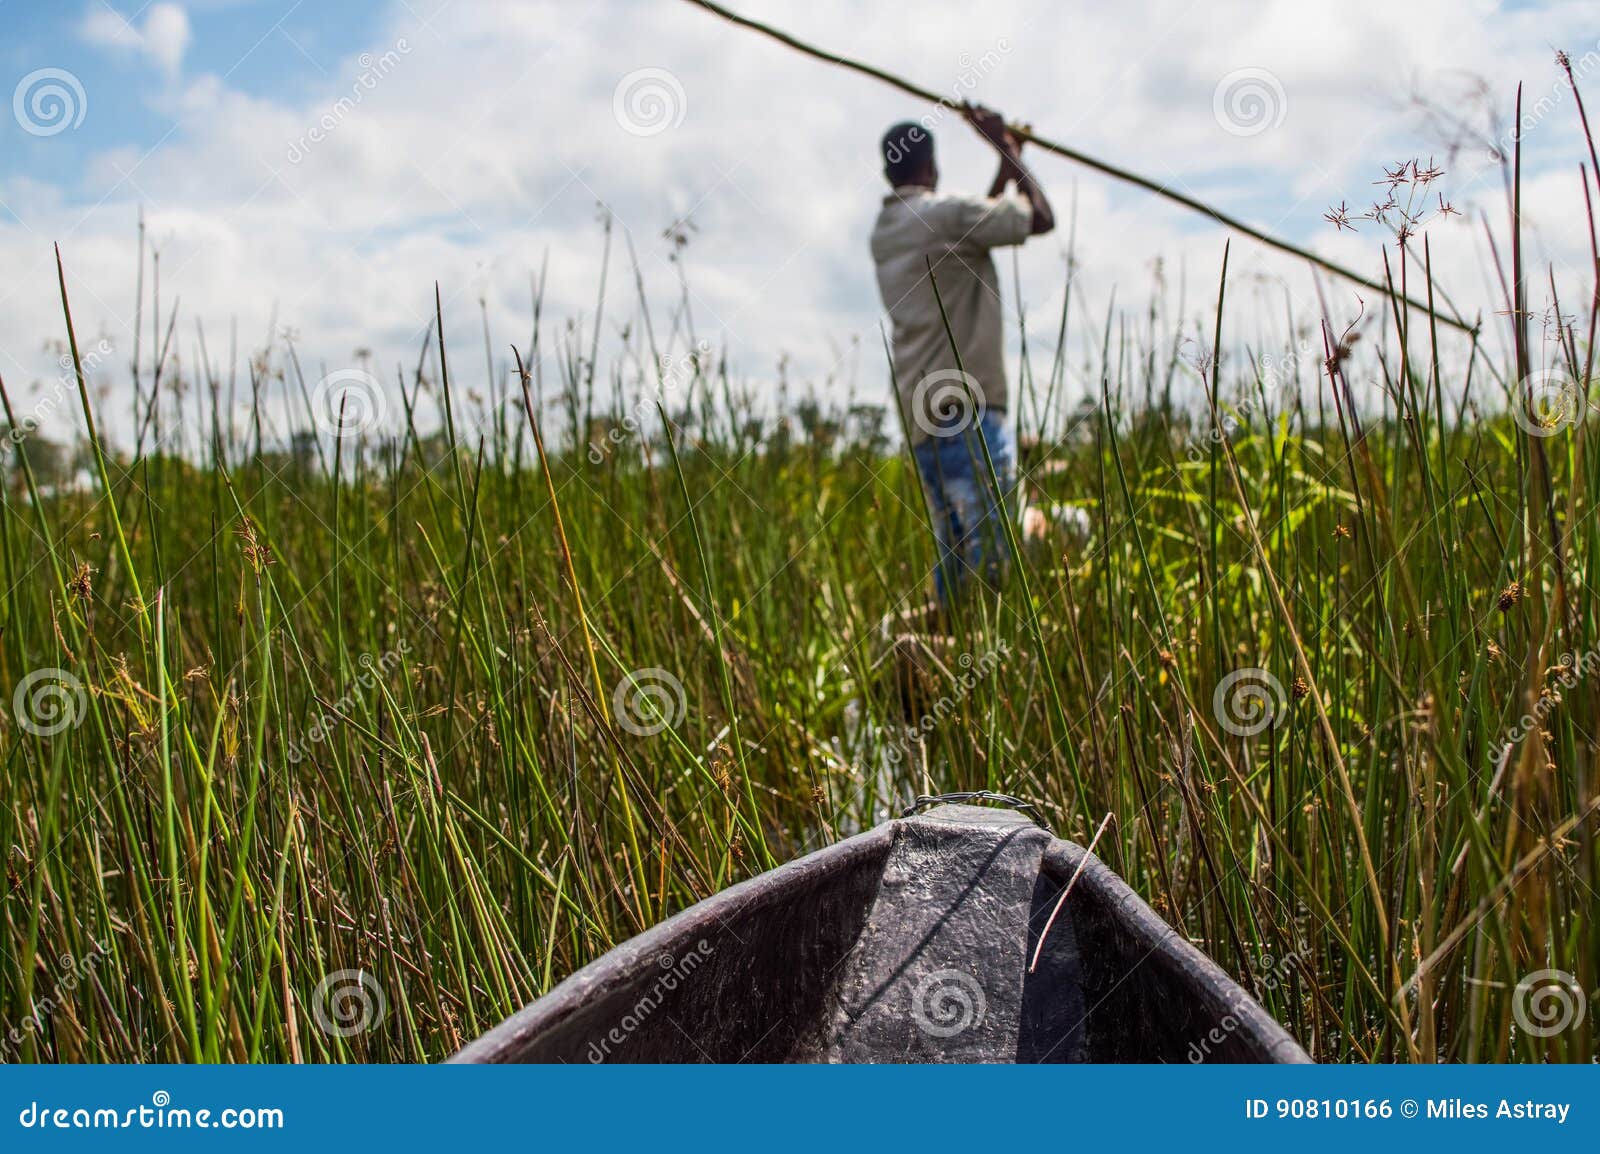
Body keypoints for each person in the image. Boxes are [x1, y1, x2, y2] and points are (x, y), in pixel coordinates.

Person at [870, 106, 1054, 606]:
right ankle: (977, 666)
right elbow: (1040, 217)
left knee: (955, 561)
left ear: (890, 172)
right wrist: (1007, 149)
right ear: (931, 167)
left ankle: (945, 662)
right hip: (967, 416)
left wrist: (1004, 161)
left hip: (925, 419)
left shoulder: (888, 230)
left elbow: (978, 221)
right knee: (992, 567)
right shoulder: (943, 215)